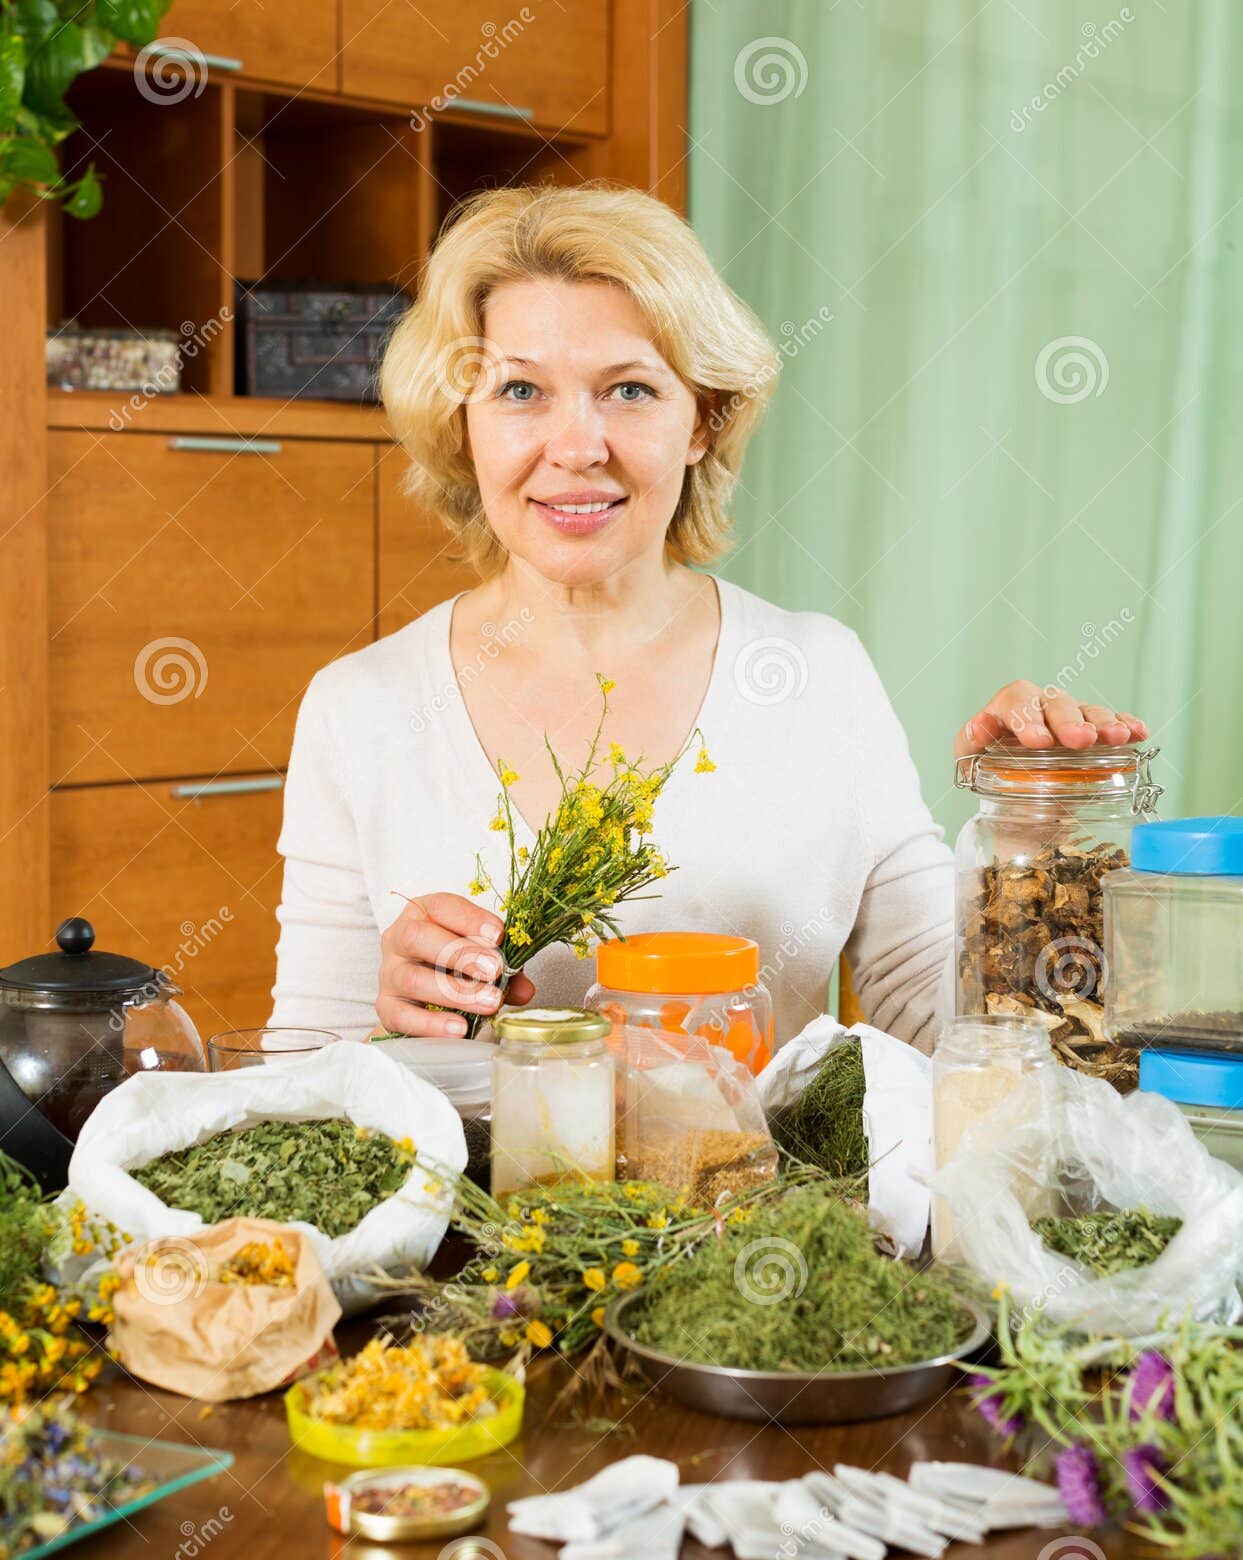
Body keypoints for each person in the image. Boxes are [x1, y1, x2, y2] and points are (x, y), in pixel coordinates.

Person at [270, 185, 1147, 1056]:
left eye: (629, 390)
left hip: (753, 1157)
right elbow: (305, 1065)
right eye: (519, 390)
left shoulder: (817, 674)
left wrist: (1032, 844)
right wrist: (390, 1020)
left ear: (704, 419)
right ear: (462, 425)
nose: (575, 448)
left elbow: (937, 1019)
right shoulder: (363, 707)